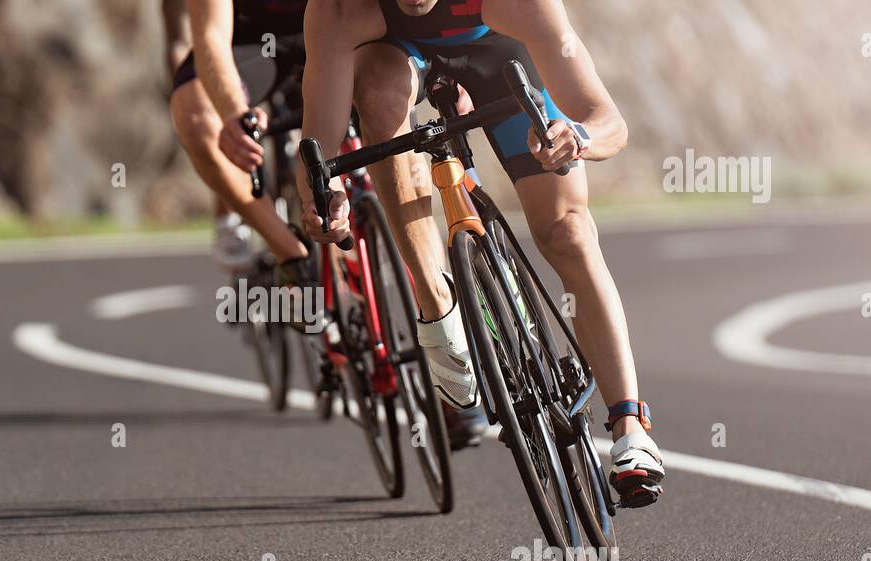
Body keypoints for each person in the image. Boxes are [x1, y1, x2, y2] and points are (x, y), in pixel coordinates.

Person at [267, 0, 664, 507]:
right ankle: (437, 308)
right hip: (396, 57)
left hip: (498, 49)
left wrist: (578, 137)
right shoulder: (341, 9)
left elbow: (607, 119)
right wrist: (324, 200)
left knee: (567, 232)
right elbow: (317, 149)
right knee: (377, 93)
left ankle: (630, 426)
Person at [169, 0, 313, 275]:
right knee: (194, 113)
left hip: (338, 29)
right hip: (250, 40)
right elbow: (209, 35)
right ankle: (293, 258)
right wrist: (234, 111)